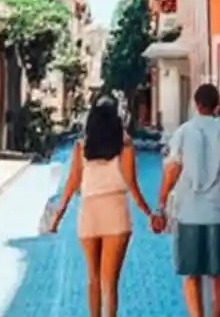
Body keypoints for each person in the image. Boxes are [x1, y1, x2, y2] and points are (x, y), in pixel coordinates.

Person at [153, 84, 220, 317]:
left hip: (189, 215)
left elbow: (172, 170)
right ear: (217, 105)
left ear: (196, 104)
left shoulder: (183, 132)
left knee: (191, 276)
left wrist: (160, 207)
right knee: (218, 278)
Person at [49, 101, 154, 317]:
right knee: (110, 282)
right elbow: (133, 186)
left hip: (89, 215)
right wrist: (150, 214)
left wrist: (57, 217)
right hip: (116, 215)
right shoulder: (125, 148)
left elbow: (71, 184)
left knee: (93, 278)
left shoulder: (81, 147)